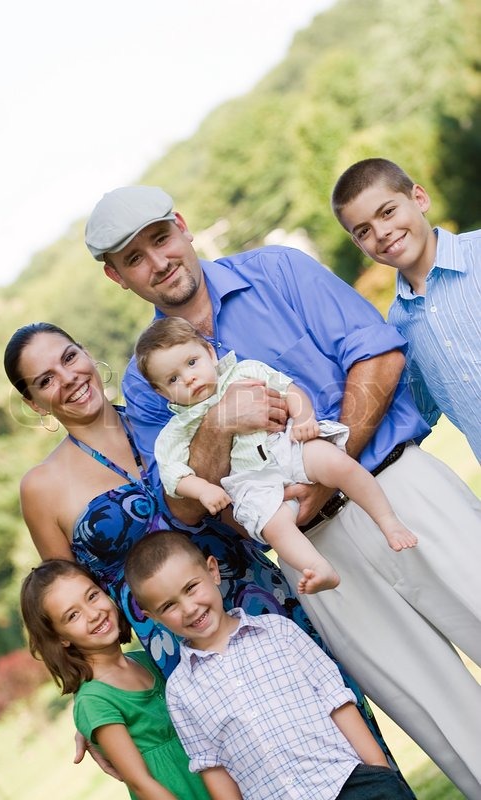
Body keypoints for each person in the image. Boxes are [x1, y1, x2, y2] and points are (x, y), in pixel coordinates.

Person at [84, 184, 481, 798]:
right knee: (448, 721)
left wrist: (323, 471)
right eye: (135, 258)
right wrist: (219, 423)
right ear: (116, 277)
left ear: (183, 227)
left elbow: (377, 358)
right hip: (315, 558)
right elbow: (186, 507)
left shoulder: (278, 272)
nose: (158, 262)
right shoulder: (146, 381)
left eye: (161, 240)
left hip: (396, 488)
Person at [4, 322, 394, 781]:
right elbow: (66, 605)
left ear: (88, 354)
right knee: (263, 773)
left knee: (344, 737)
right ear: (33, 403)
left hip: (260, 604)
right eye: (45, 379)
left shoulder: (177, 414)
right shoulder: (42, 487)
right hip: (180, 648)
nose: (67, 378)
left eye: (69, 358)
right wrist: (95, 710)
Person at [135, 316, 417, 595]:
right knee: (275, 527)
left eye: (192, 362)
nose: (189, 378)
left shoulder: (245, 372)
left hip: (286, 445)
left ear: (209, 352)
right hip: (251, 482)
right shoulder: (176, 431)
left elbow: (290, 390)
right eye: (173, 379)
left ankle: (388, 521)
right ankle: (318, 567)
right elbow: (174, 475)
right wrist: (204, 489)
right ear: (162, 392)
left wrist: (304, 416)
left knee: (336, 461)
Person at [124, 530, 414, 800]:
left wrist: (379, 773)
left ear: (212, 571)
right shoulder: (180, 691)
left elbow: (337, 703)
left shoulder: (279, 632)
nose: (189, 608)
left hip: (345, 783)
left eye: (191, 588)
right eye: (169, 606)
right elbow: (213, 768)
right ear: (153, 617)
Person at [19, 558, 212, 799]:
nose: (93, 614)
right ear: (60, 639)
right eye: (73, 615)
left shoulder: (145, 659)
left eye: (92, 596)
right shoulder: (94, 700)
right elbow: (140, 783)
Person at [331, 156, 481, 464]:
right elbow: (416, 412)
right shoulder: (398, 327)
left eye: (387, 212)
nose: (382, 232)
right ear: (359, 245)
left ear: (420, 198)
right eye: (363, 231)